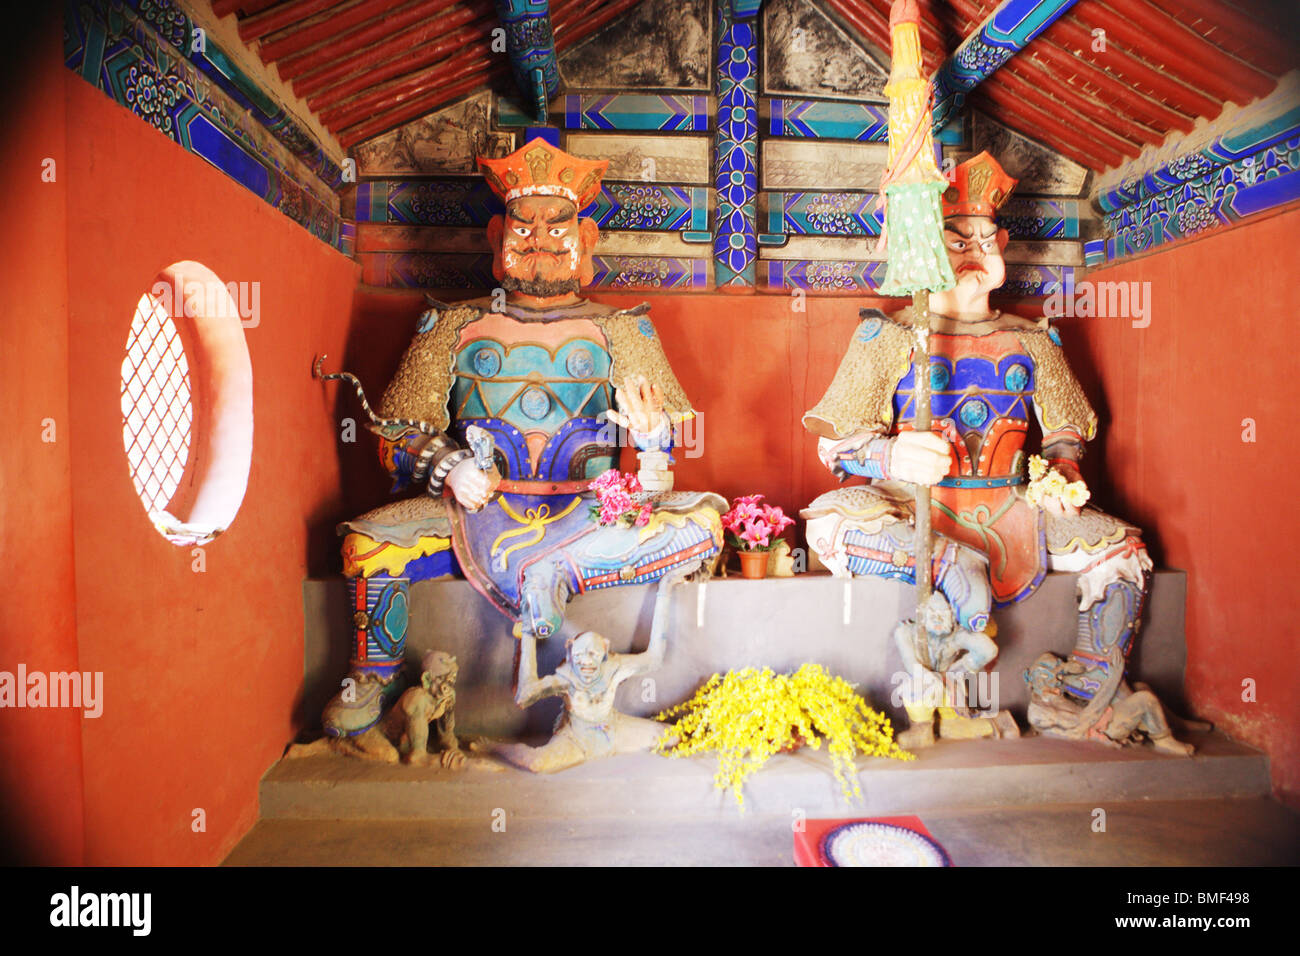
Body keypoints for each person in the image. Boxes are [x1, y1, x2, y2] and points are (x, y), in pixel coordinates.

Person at [322, 139, 724, 736]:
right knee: (368, 542)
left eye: (556, 224)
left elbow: (663, 442)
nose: (538, 237)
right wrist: (451, 467)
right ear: (495, 237)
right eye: (522, 223)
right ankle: (374, 672)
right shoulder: (450, 323)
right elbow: (394, 433)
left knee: (703, 526)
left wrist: (653, 436)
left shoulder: (623, 329)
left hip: (588, 519)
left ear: (586, 240)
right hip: (473, 511)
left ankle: (561, 575)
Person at [803, 151, 1181, 746]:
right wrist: (891, 457)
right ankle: (953, 611)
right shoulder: (889, 334)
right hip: (912, 508)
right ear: (927, 249)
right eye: (957, 240)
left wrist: (1061, 473)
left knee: (1123, 550)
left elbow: (1065, 429)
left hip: (1013, 510)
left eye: (985, 238)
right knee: (824, 525)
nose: (975, 251)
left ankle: (1082, 695)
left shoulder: (1032, 338)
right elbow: (836, 445)